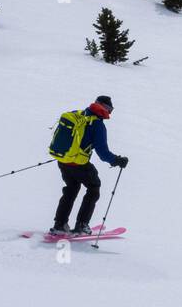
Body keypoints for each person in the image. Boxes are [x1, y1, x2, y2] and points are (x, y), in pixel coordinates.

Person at [48, 95, 128, 235]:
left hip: (63, 160)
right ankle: (82, 226)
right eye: (109, 110)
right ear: (105, 108)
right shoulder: (97, 125)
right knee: (93, 188)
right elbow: (103, 154)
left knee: (71, 189)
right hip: (78, 164)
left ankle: (59, 225)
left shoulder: (79, 114)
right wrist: (117, 161)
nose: (109, 113)